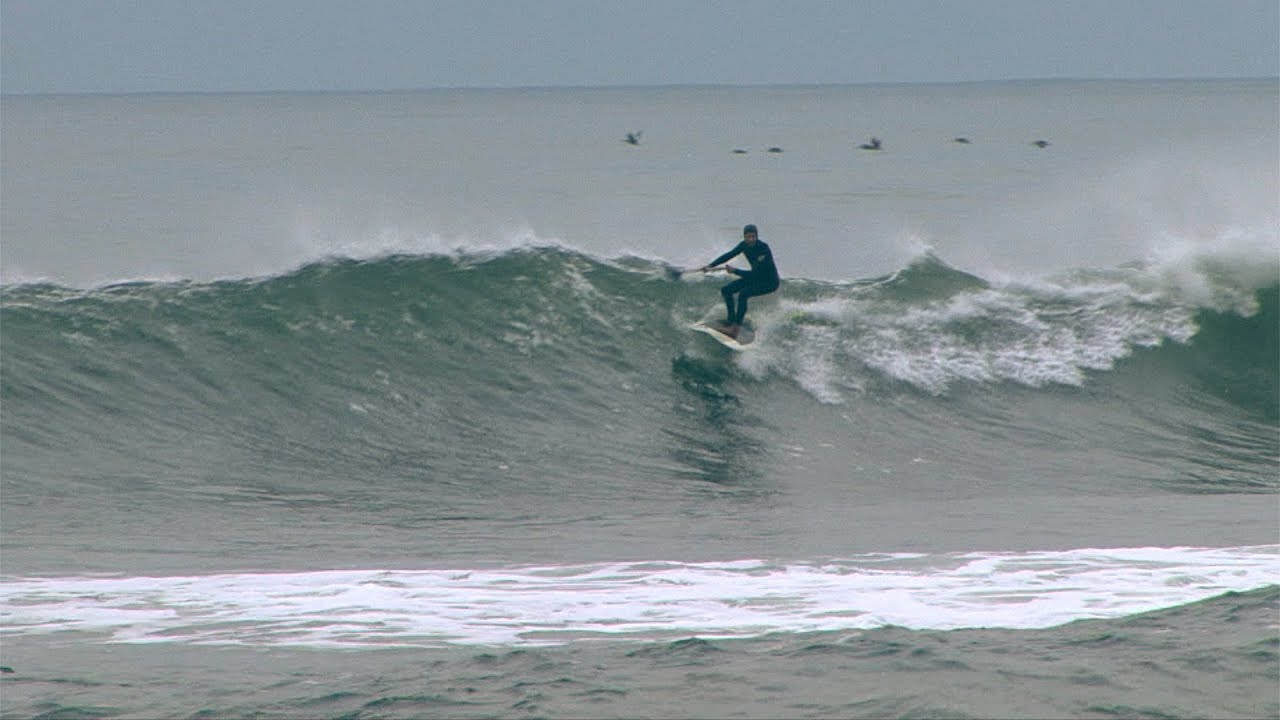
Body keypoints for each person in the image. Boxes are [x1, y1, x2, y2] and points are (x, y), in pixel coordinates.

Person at [700, 224, 780, 338]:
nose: (751, 239)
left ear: (757, 237)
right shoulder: (744, 245)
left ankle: (735, 328)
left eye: (753, 237)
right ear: (744, 237)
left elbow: (756, 273)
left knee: (743, 294)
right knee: (726, 290)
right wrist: (710, 266)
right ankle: (731, 321)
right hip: (755, 278)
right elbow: (729, 255)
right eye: (748, 237)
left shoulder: (763, 249)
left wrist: (735, 271)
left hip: (769, 282)